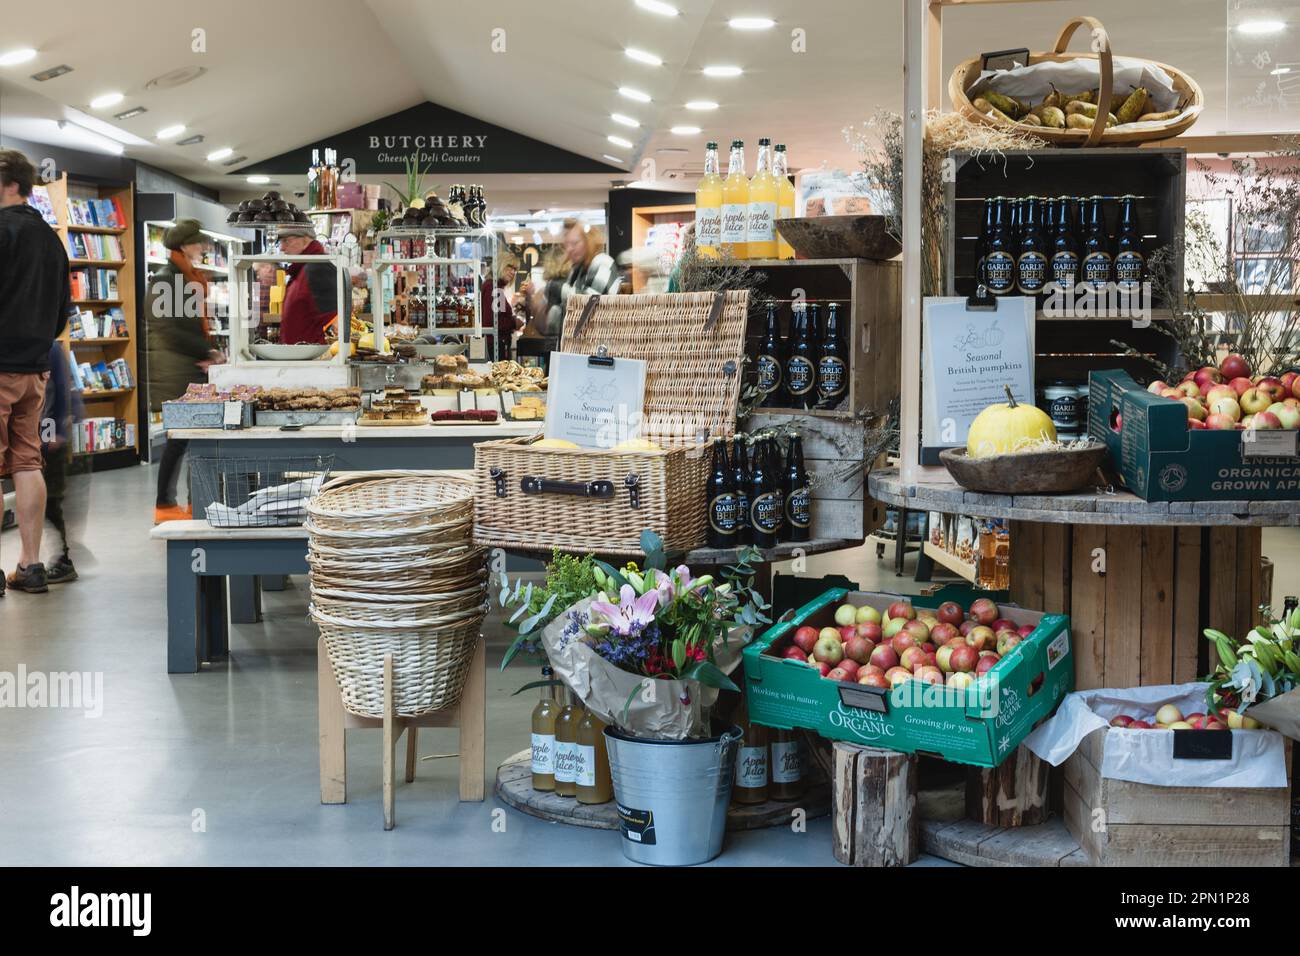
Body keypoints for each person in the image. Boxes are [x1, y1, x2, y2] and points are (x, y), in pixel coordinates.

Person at [0, 148, 72, 595]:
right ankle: (30, 564)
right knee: (27, 461)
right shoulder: (52, 239)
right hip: (35, 367)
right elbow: (64, 313)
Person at [145, 218, 221, 523]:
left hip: (184, 365)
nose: (203, 247)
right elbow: (168, 329)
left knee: (181, 439)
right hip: (177, 369)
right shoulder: (168, 279)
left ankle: (180, 504)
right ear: (184, 246)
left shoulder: (185, 276)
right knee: (182, 439)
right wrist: (207, 350)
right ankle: (173, 505)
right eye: (198, 243)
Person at [34, 341, 83, 583]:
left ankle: (63, 558)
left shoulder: (50, 347)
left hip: (49, 434)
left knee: (51, 500)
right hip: (36, 433)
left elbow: (63, 389)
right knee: (43, 500)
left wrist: (59, 430)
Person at [532, 219, 620, 352]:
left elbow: (589, 303)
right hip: (580, 349)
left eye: (575, 243)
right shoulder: (576, 270)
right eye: (566, 245)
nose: (569, 249)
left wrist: (553, 288)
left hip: (598, 349)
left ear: (588, 240)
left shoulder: (602, 263)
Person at [276, 225, 338, 345]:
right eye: (281, 241)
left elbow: (335, 322)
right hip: (302, 358)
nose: (282, 248)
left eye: (287, 241)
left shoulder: (318, 268)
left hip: (314, 360)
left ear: (305, 240)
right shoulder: (302, 269)